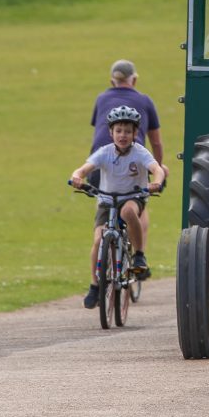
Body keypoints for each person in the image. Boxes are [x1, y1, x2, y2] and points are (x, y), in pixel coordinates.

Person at [68, 105, 165, 306]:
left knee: (129, 211)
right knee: (97, 240)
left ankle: (138, 256)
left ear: (135, 133)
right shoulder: (104, 152)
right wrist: (77, 177)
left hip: (133, 196)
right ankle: (95, 285)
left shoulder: (140, 152)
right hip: (106, 200)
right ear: (110, 132)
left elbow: (157, 168)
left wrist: (156, 181)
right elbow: (84, 169)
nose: (123, 135)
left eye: (128, 131)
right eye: (118, 131)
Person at [90, 60, 163, 157]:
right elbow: (156, 143)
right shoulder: (145, 101)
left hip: (99, 159)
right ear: (134, 80)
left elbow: (99, 134)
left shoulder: (101, 99)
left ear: (112, 82)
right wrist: (158, 167)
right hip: (133, 159)